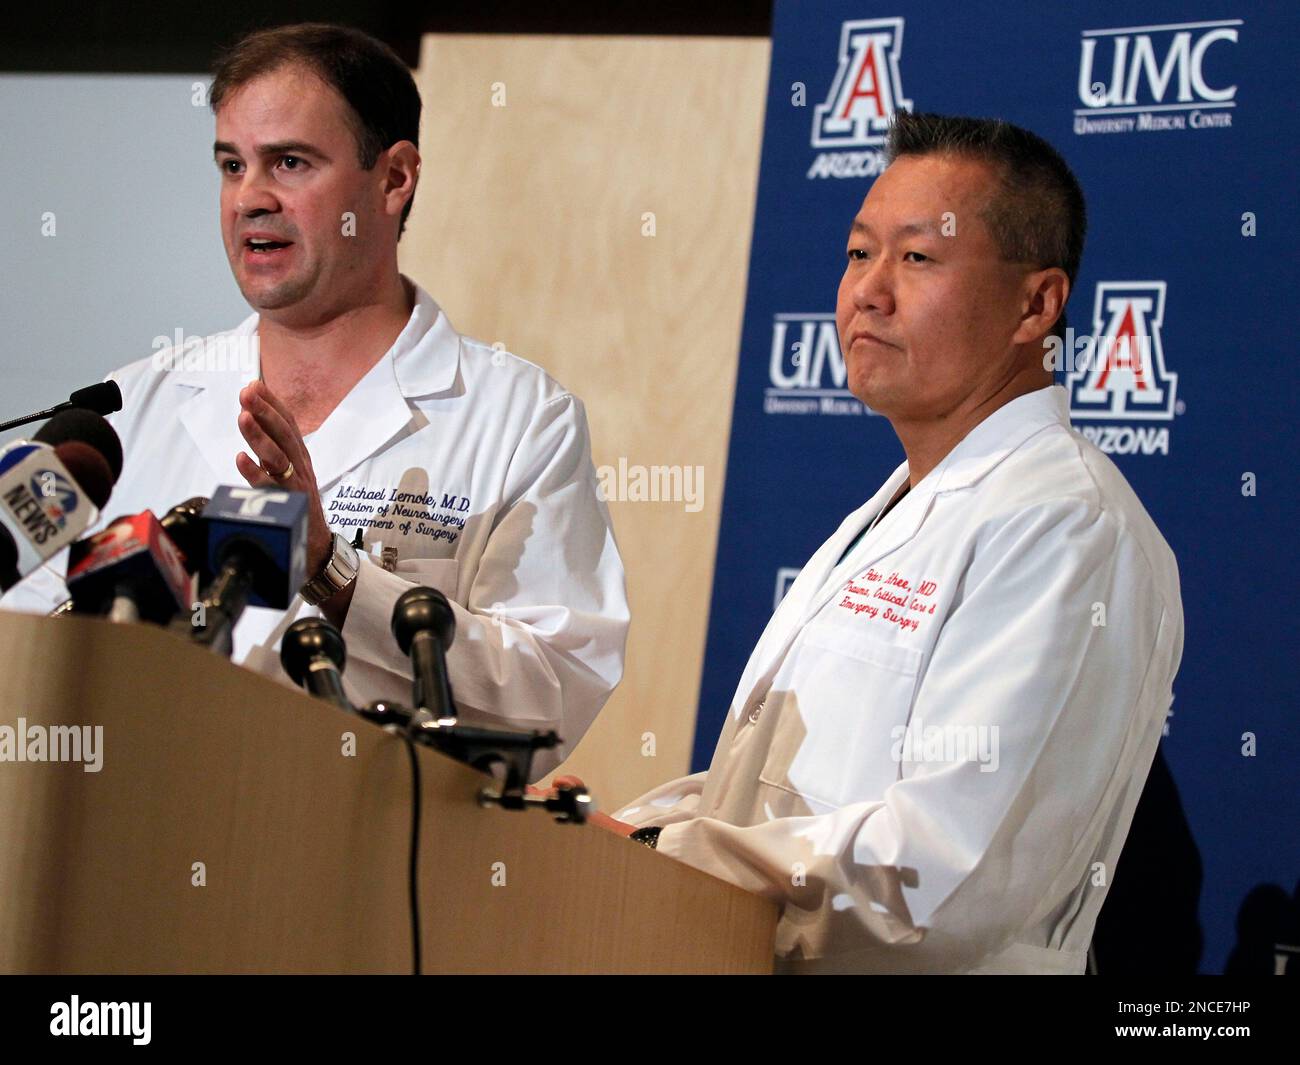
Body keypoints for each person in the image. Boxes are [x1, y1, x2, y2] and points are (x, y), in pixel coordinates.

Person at [603, 112, 1184, 974]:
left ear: (1038, 304)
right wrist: (617, 831)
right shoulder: (895, 506)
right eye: (856, 253)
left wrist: (662, 848)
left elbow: (944, 872)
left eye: (916, 258)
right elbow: (770, 791)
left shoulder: (1068, 526)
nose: (867, 291)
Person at [0, 24, 629, 775]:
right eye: (232, 166)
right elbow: (23, 650)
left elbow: (552, 697)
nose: (249, 199)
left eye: (289, 163)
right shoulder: (133, 405)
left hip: (356, 862)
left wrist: (335, 574)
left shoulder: (520, 420)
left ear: (395, 180)